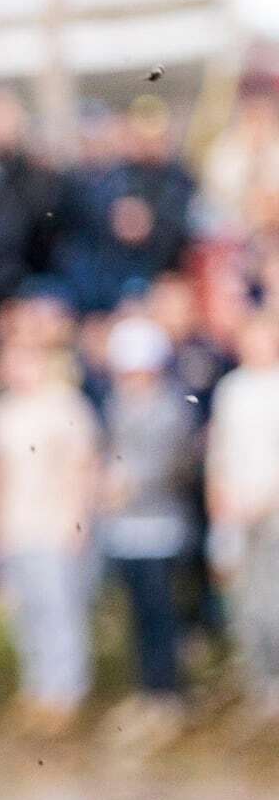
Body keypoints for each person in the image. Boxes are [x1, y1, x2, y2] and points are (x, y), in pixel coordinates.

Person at [0, 325, 101, 738]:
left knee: (59, 610)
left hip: (55, 525)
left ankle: (66, 692)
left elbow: (84, 465)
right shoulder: (4, 411)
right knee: (26, 611)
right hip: (16, 526)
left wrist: (78, 520)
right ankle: (36, 687)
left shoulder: (66, 405)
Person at [98, 313, 199, 745]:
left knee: (161, 616)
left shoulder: (171, 408)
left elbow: (176, 467)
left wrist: (131, 484)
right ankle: (148, 690)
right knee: (139, 615)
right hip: (127, 529)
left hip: (161, 527)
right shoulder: (117, 406)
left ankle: (169, 696)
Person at [208, 308, 279, 728]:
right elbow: (219, 447)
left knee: (273, 597)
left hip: (271, 511)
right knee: (243, 600)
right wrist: (218, 494)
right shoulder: (231, 389)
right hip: (235, 509)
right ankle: (259, 681)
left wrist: (266, 500)